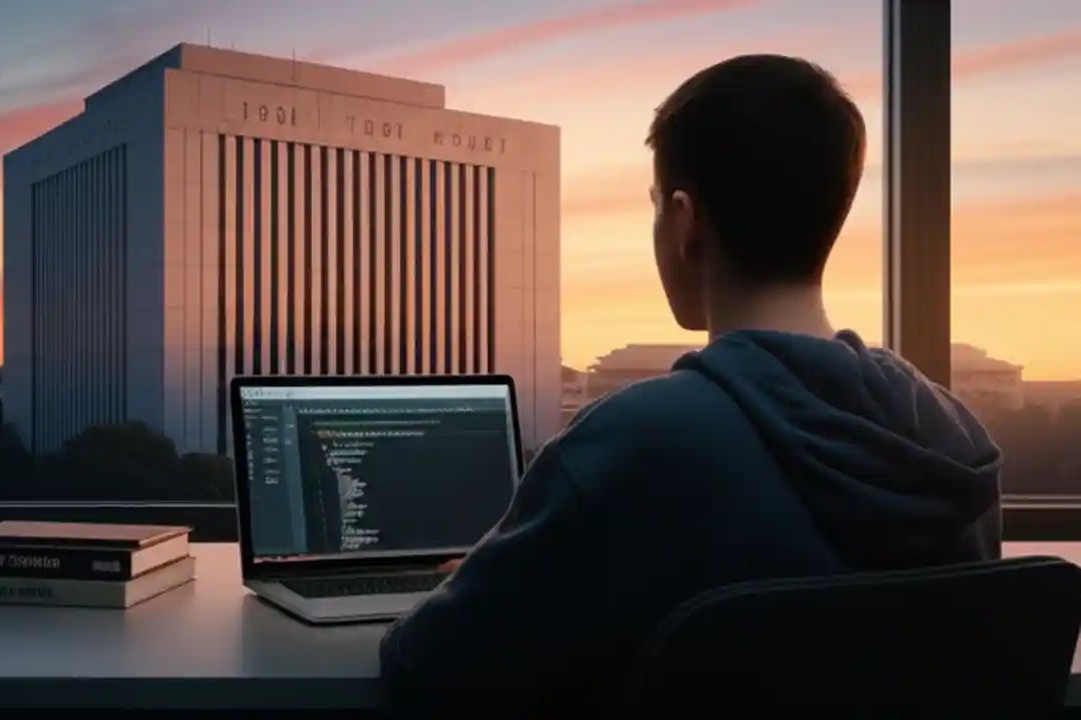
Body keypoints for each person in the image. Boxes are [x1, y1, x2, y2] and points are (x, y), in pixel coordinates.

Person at [378, 55, 1001, 712]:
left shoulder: (632, 444)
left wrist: (481, 573)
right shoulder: (954, 438)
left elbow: (429, 668)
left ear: (684, 221)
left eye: (655, 209)